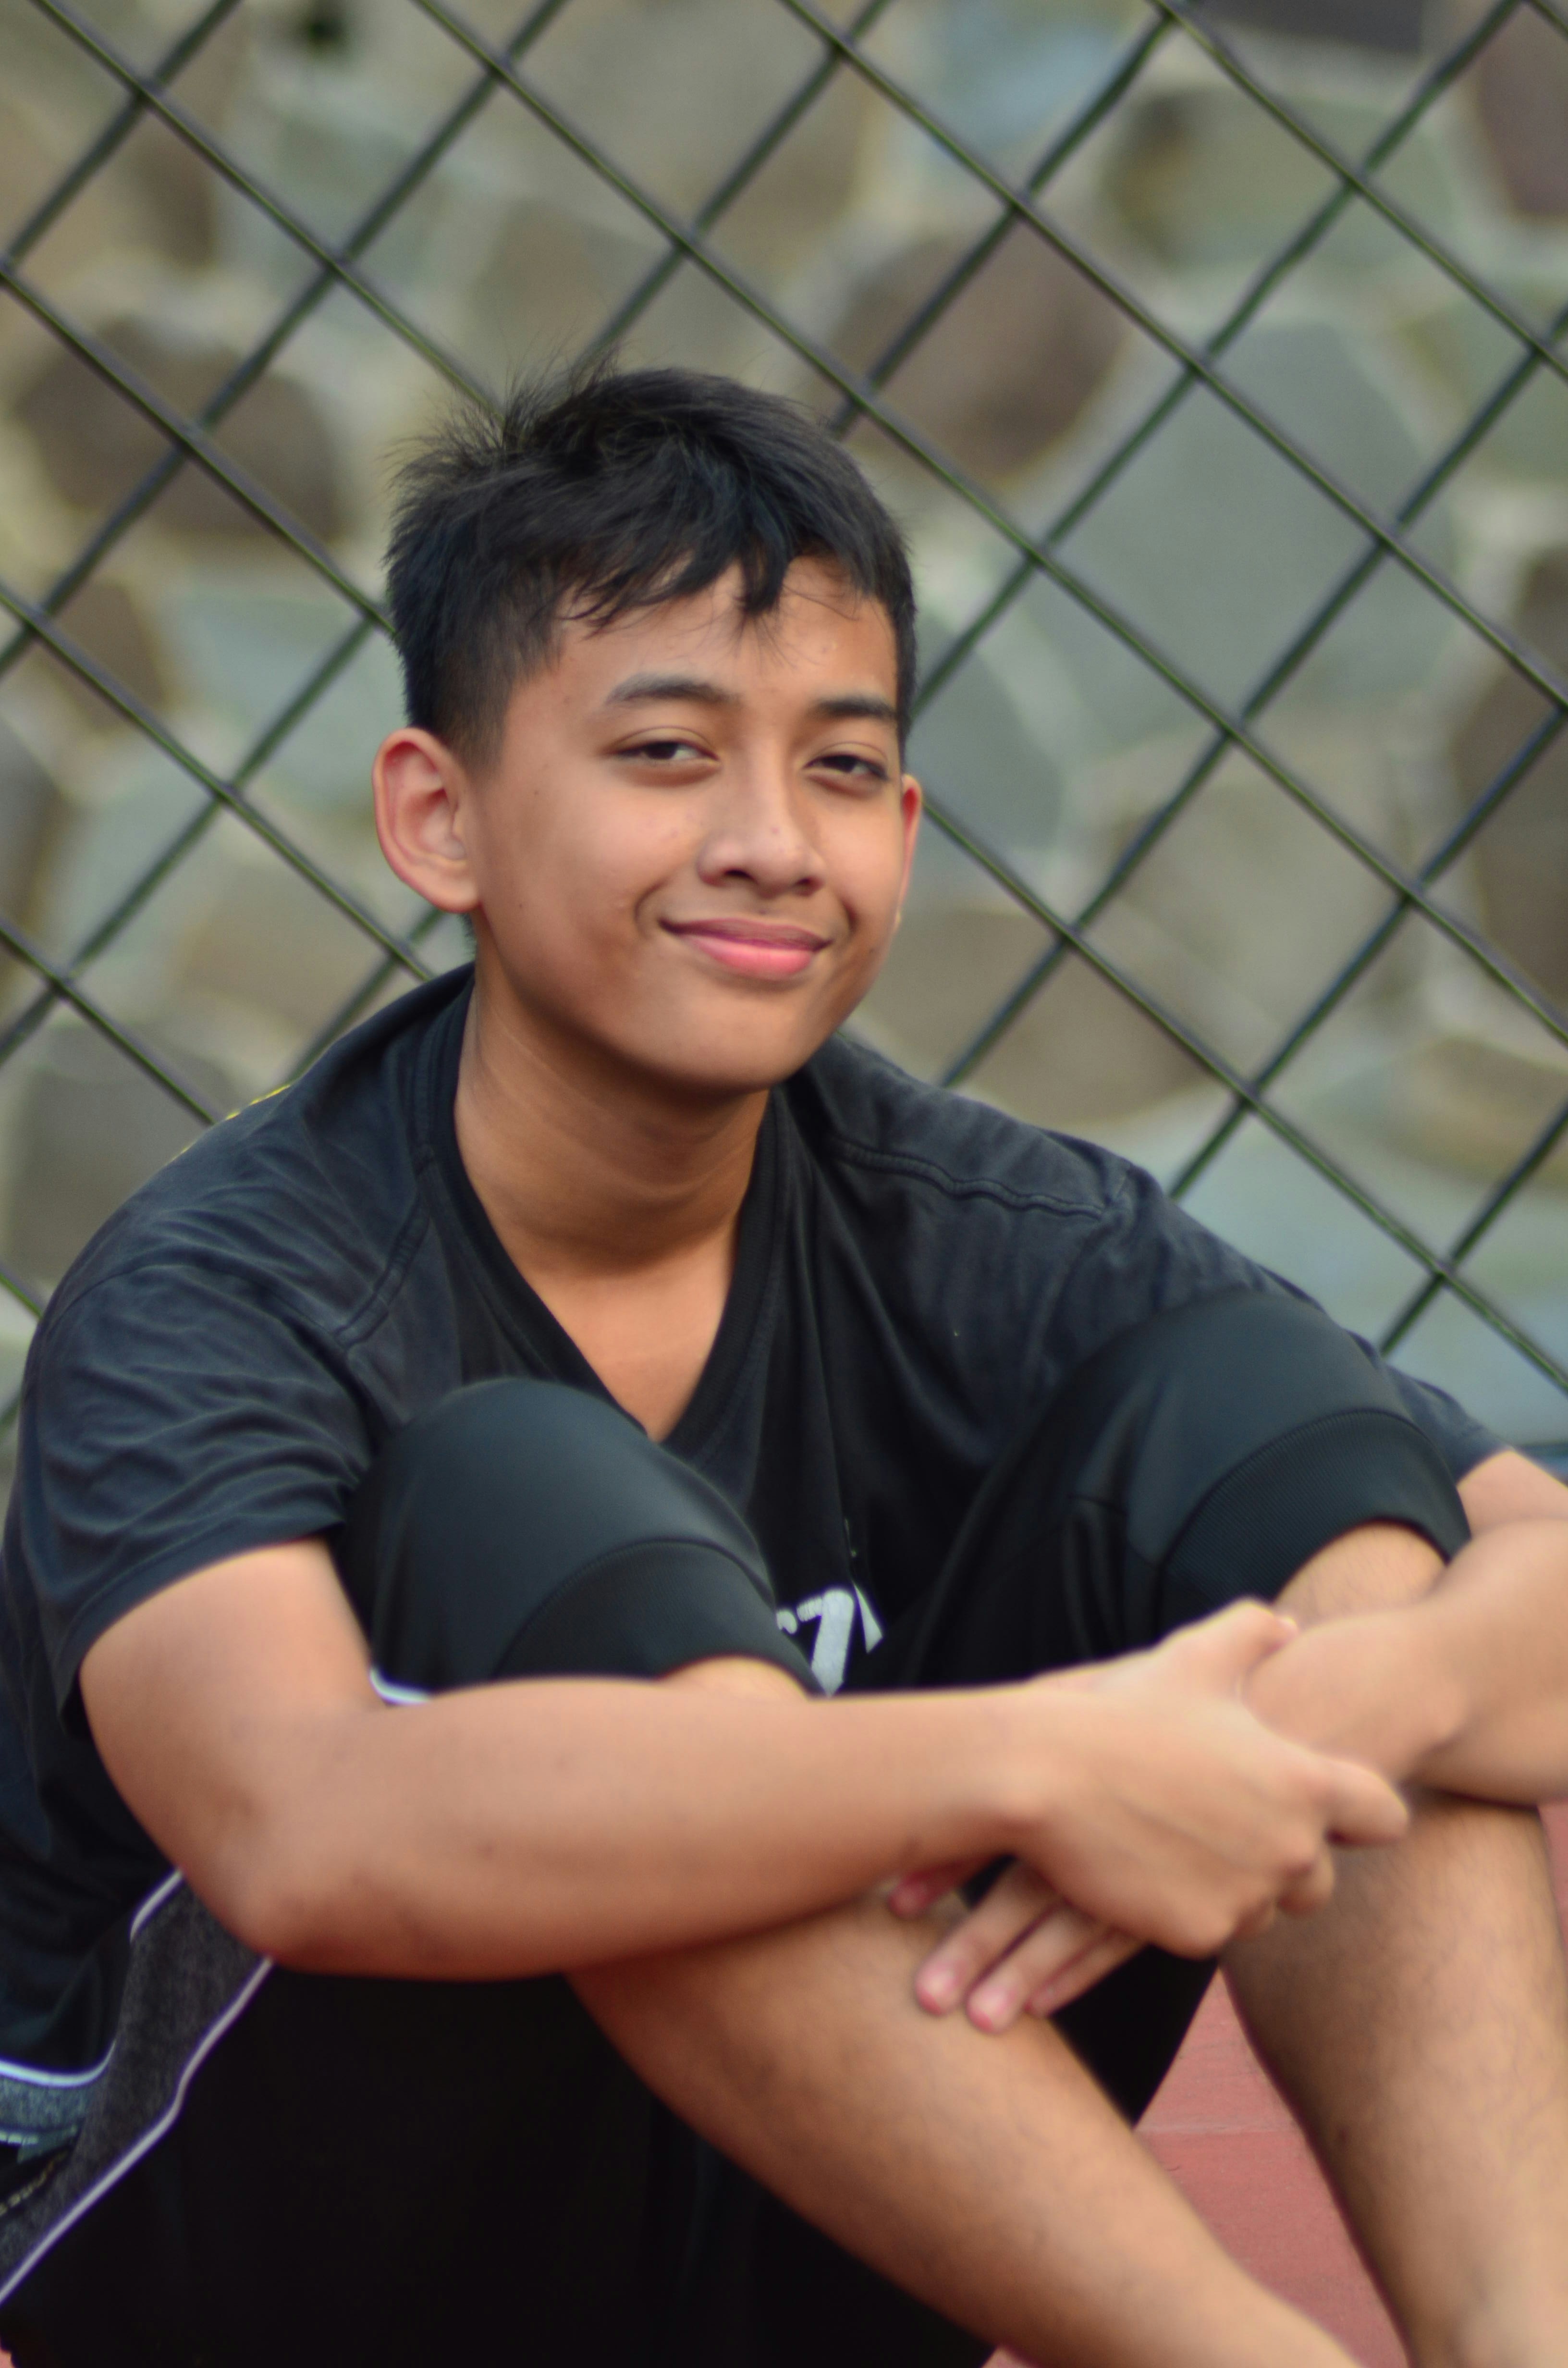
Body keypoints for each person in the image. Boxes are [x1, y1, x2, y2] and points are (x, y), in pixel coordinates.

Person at [0, 364, 1566, 2368]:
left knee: (1284, 1444)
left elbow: (1535, 1580)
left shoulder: (997, 1229)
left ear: (904, 825)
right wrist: (1043, 1759)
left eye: (840, 769)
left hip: (811, 2211)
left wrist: (1324, 1706)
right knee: (531, 1505)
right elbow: (307, 1822)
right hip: (290, 2278)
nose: (770, 842)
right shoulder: (228, 1284)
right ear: (438, 815)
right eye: (667, 750)